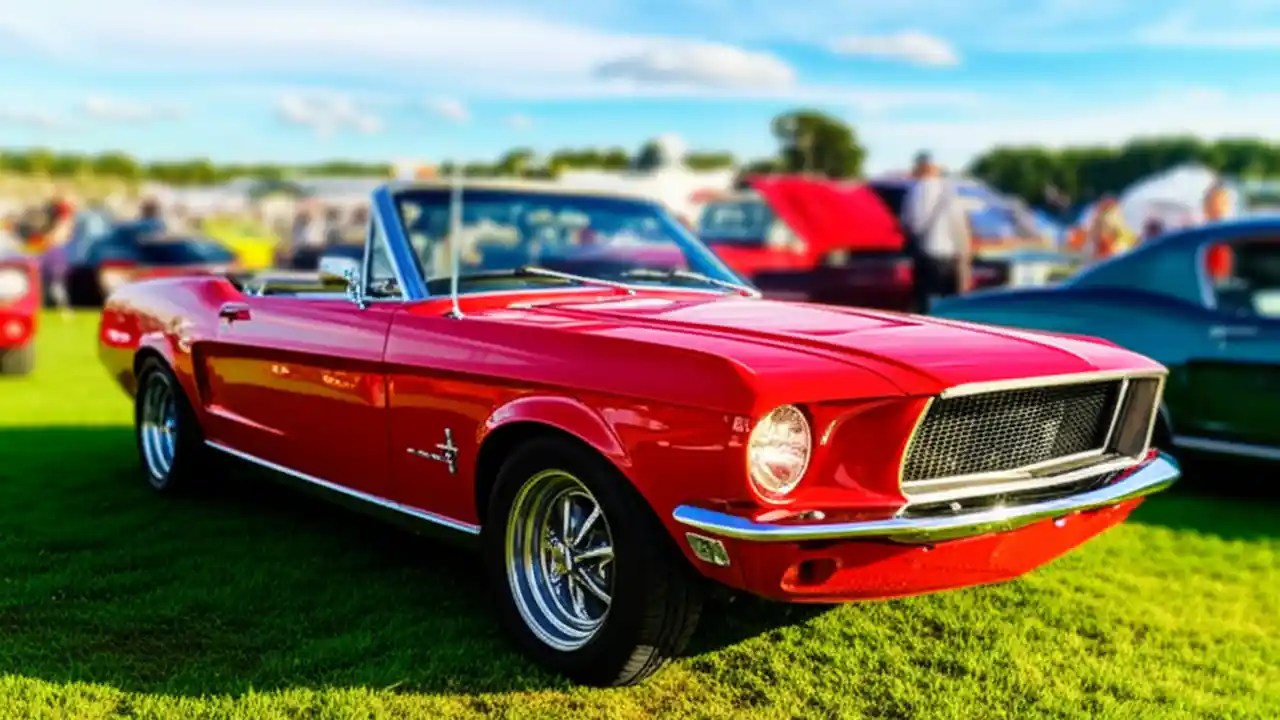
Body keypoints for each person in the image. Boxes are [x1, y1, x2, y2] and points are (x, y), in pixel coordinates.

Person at [901, 151, 973, 312]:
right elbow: (961, 225)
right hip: (951, 259)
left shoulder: (918, 190)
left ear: (921, 167)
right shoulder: (950, 190)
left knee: (926, 307)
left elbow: (913, 224)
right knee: (949, 309)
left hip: (929, 257)